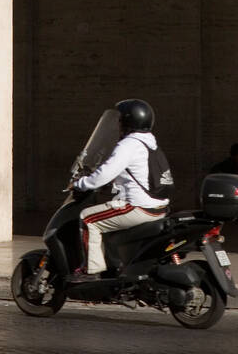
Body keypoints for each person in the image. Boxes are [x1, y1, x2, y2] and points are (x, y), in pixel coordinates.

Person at [71, 99, 170, 278]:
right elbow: (134, 173)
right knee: (109, 226)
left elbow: (104, 173)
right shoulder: (149, 143)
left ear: (128, 122)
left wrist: (81, 183)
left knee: (88, 219)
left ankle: (90, 271)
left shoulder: (129, 145)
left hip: (137, 207)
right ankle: (114, 270)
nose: (117, 124)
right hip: (157, 207)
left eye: (120, 120)